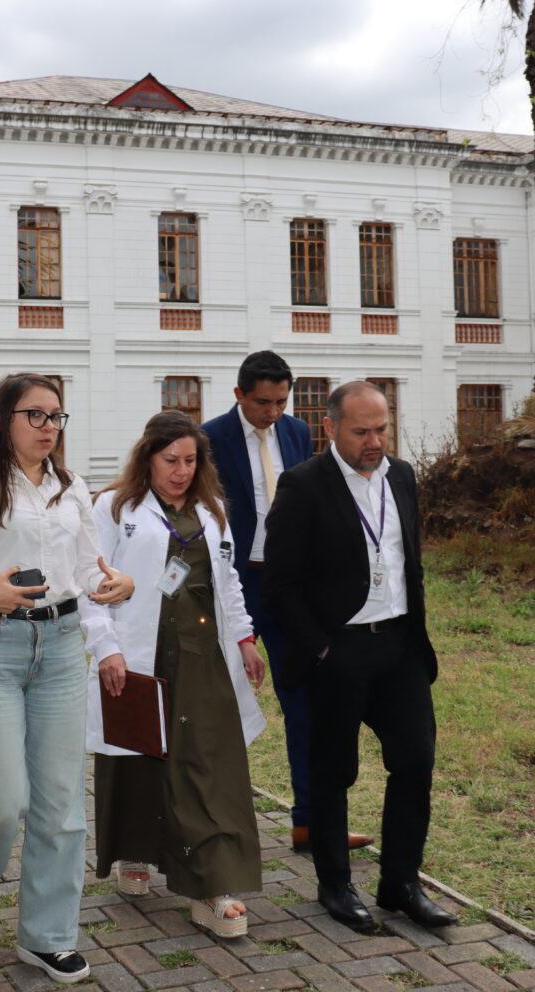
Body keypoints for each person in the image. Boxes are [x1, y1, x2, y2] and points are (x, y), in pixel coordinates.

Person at [0, 373, 133, 985]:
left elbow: (94, 574)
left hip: (64, 649)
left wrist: (115, 586)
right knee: (0, 798)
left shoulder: (73, 489)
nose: (48, 428)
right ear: (8, 419)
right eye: (35, 416)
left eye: (56, 417)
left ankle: (47, 937)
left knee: (62, 806)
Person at [262, 381, 455, 934]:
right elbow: (279, 584)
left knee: (415, 761)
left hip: (399, 646)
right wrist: (320, 648)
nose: (375, 441)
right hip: (337, 648)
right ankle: (335, 884)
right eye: (362, 431)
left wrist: (414, 633)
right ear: (330, 428)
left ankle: (400, 883)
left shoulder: (403, 476)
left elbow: (407, 559)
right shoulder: (303, 487)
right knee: (333, 772)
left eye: (382, 429)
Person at [87, 411, 267, 939]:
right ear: (148, 457)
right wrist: (106, 649)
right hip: (137, 649)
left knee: (208, 764)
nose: (181, 471)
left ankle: (213, 884)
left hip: (201, 654)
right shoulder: (115, 508)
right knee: (138, 754)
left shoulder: (212, 512)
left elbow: (227, 580)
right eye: (171, 460)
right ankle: (135, 850)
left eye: (191, 460)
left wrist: (245, 637)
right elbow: (90, 583)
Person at [202, 350, 372, 854]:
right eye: (261, 403)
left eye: (280, 402)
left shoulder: (298, 433)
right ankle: (211, 826)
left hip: (292, 591)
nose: (272, 413)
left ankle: (311, 823)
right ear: (239, 395)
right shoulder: (210, 439)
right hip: (234, 587)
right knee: (216, 708)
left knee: (307, 707)